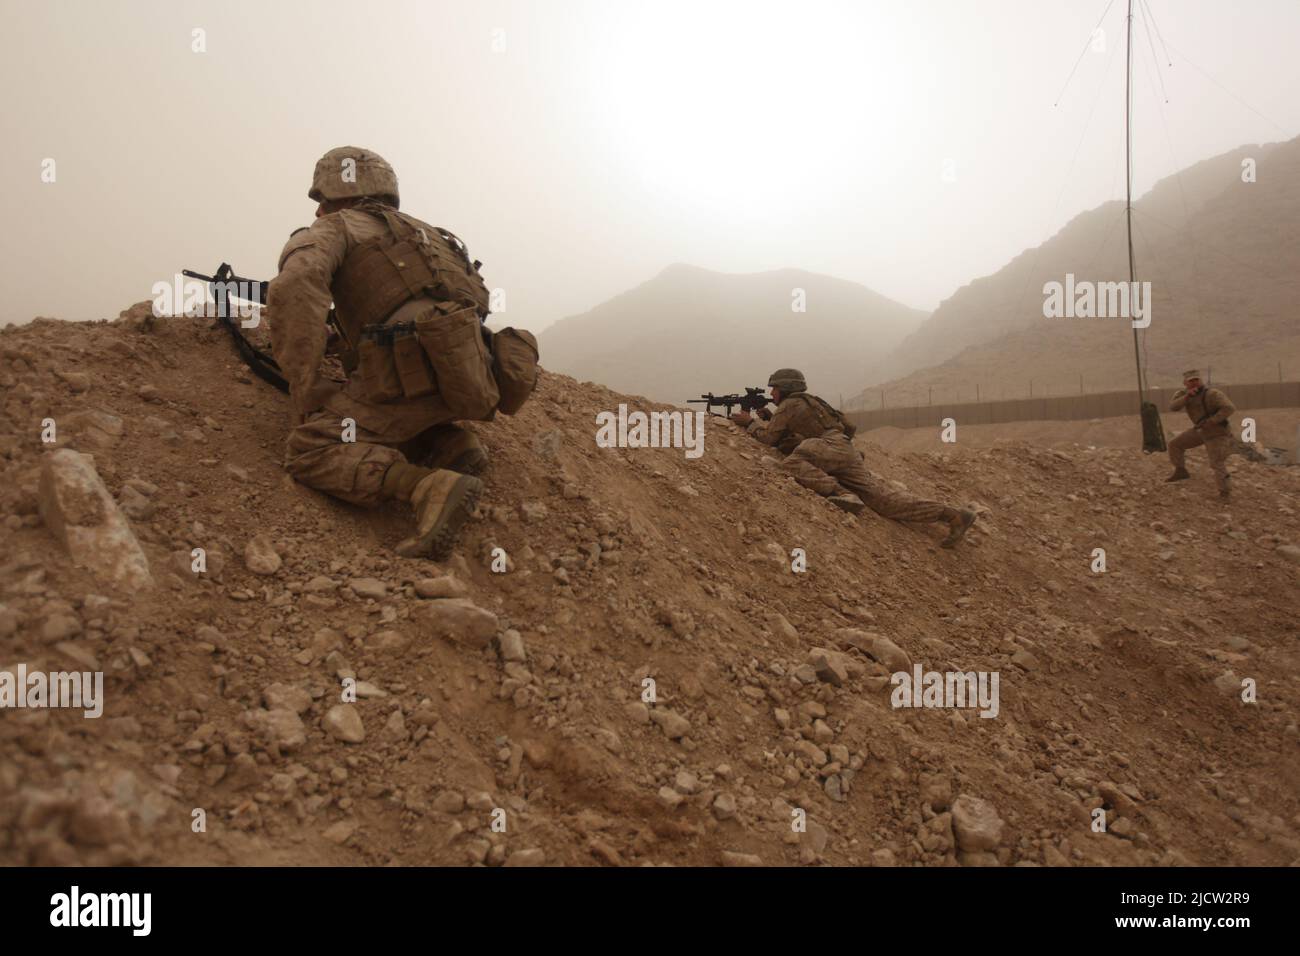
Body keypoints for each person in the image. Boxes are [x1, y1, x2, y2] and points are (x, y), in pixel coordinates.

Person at [266, 146, 500, 559]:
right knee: (392, 410)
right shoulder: (432, 236)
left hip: (407, 376)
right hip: (472, 373)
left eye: (322, 201)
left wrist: (308, 386)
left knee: (310, 449)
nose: (319, 211)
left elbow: (296, 284)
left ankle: (426, 487)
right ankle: (450, 443)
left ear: (333, 196)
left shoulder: (338, 228)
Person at [731, 369, 977, 548]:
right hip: (843, 448)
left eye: (774, 388)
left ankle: (841, 493)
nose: (771, 392)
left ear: (784, 388)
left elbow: (768, 440)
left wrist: (750, 423)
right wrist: (769, 417)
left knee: (793, 462)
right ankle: (952, 515)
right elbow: (797, 430)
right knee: (884, 500)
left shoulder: (790, 405)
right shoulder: (810, 402)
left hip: (827, 447)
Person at [1166, 369, 1235, 498]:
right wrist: (1187, 397)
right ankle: (1181, 470)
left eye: (1196, 380)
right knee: (1175, 445)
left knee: (1216, 462)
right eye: (1190, 381)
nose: (1194, 383)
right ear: (1185, 383)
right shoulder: (1183, 395)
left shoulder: (1212, 394)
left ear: (1200, 380)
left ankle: (1225, 492)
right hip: (1200, 431)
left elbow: (1229, 408)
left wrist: (1212, 421)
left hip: (1217, 432)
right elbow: (1173, 407)